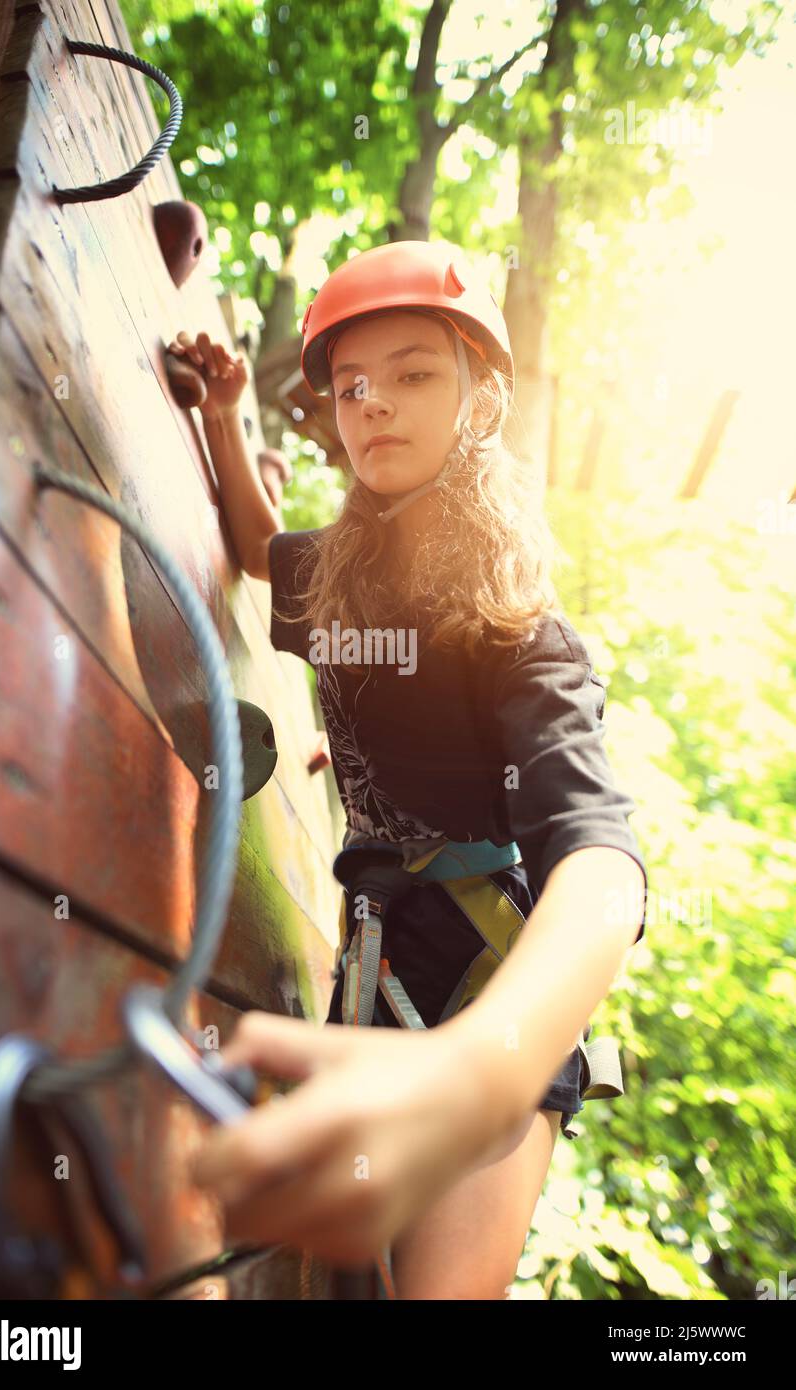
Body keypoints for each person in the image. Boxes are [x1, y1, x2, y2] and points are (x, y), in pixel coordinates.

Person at [168, 241, 648, 1299]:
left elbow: (601, 861)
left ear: (481, 399)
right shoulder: (341, 581)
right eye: (349, 384)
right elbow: (256, 552)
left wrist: (486, 1064)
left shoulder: (520, 631)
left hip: (490, 995)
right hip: (365, 978)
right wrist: (219, 414)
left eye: (414, 371)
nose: (372, 402)